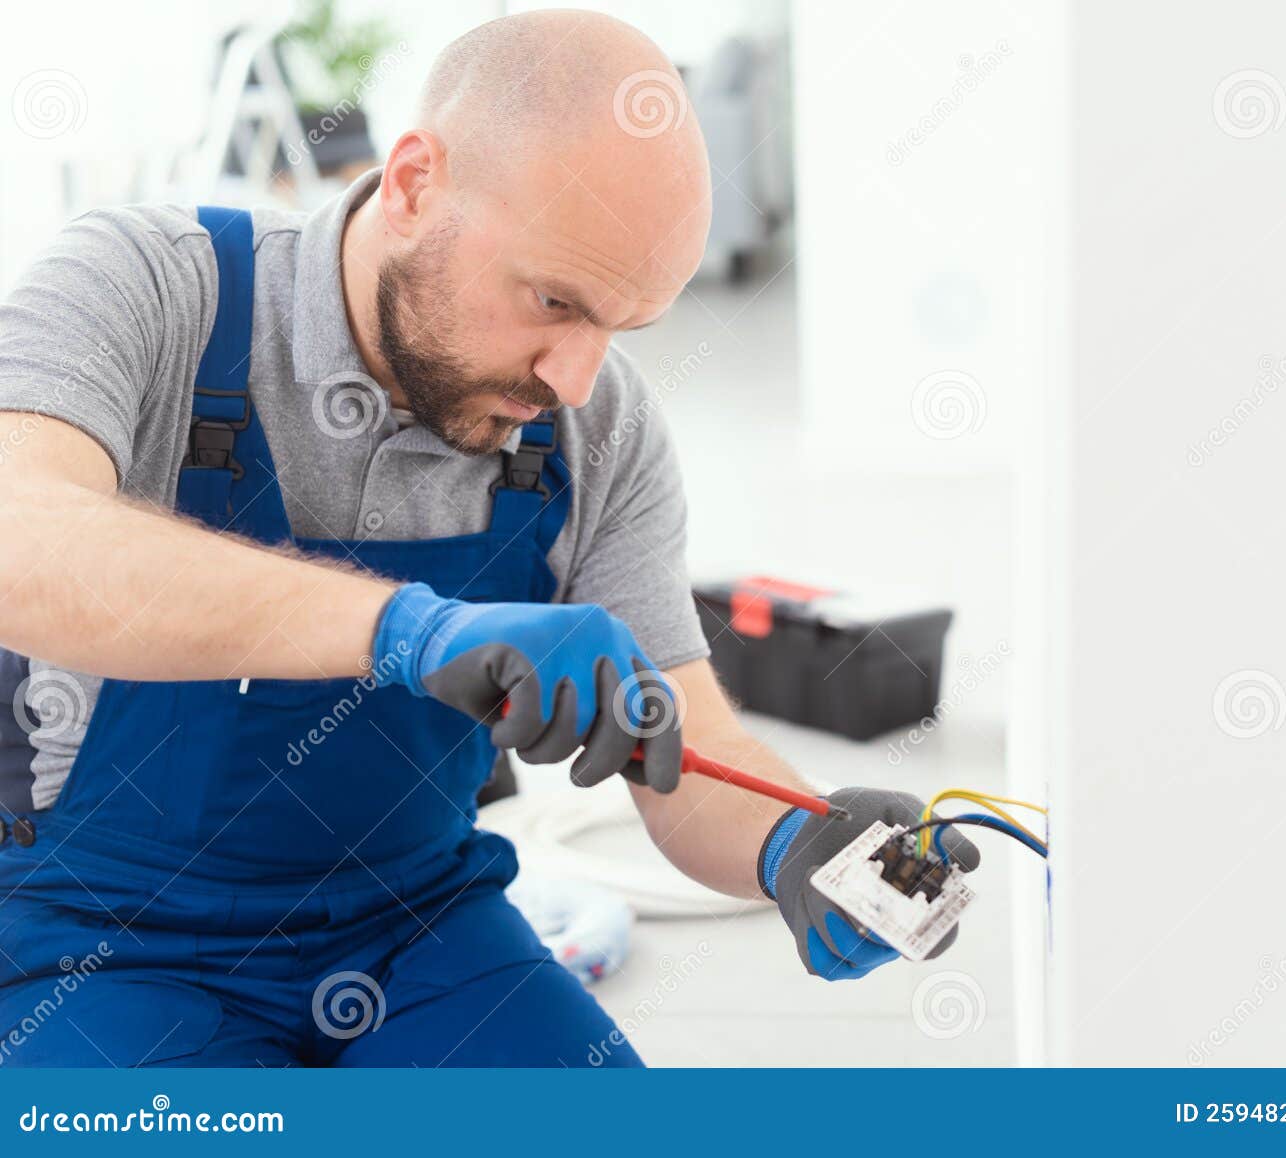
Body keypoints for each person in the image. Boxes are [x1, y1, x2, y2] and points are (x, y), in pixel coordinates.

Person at [0, 10, 976, 1068]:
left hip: (416, 930)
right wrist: (409, 631)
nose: (575, 377)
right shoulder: (150, 290)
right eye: (553, 299)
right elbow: (24, 542)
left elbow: (686, 751)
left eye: (619, 324)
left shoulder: (593, 426)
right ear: (416, 183)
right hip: (102, 949)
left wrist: (794, 841)